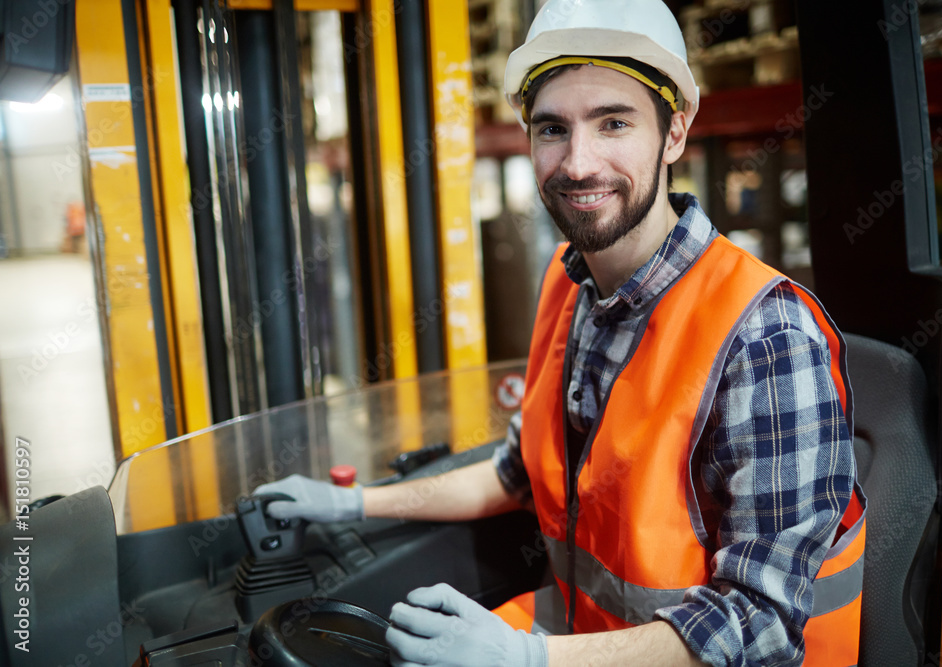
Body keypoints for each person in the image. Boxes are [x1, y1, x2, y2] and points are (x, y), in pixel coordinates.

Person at [256, 1, 866, 665]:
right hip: (584, 637)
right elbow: (516, 472)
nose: (578, 162)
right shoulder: (568, 284)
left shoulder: (765, 334)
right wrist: (351, 502)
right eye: (553, 128)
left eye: (612, 122)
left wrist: (527, 659)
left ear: (674, 132)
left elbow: (763, 624)